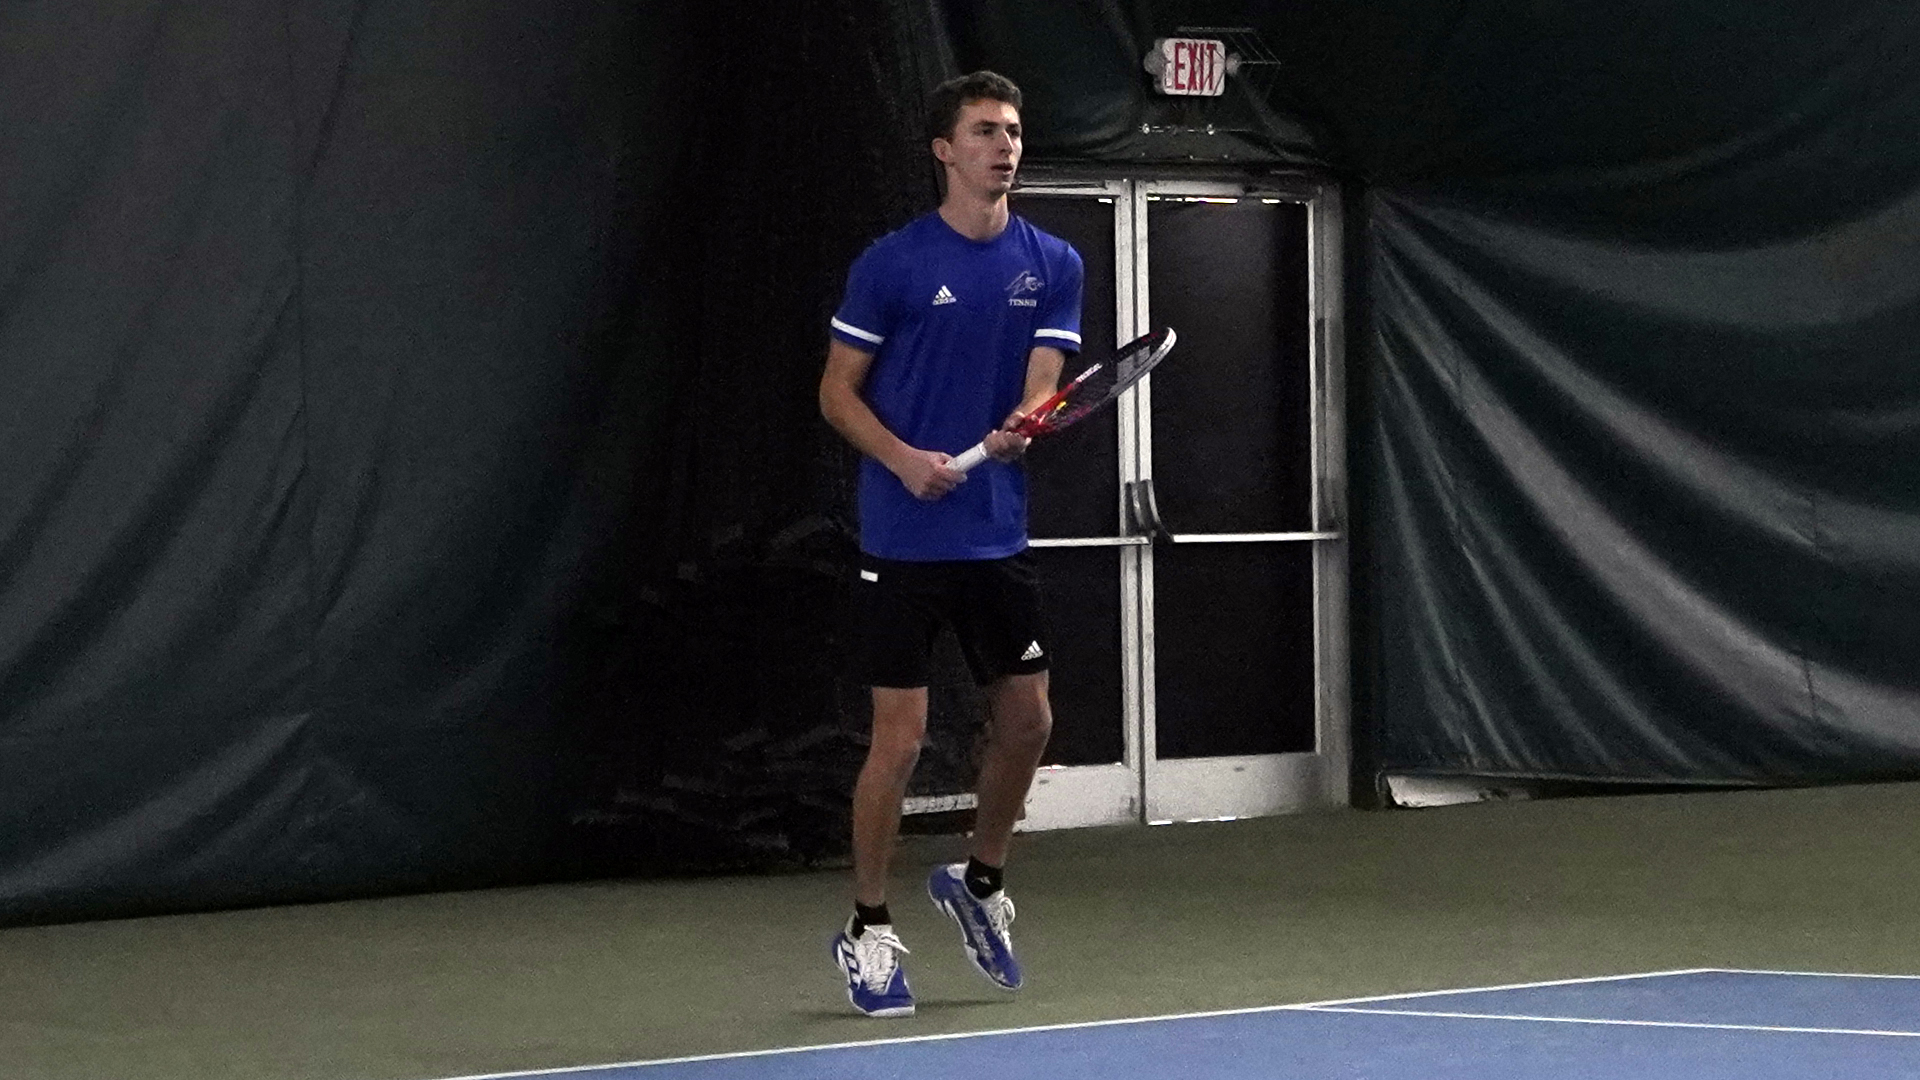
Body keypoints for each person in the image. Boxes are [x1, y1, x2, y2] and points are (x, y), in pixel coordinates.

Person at [818, 70, 1084, 1018]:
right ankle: (868, 926)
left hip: (994, 536)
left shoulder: (1053, 261)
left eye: (1012, 130)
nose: (1004, 146)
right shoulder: (891, 264)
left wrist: (1024, 420)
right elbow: (835, 392)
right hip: (901, 539)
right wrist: (903, 460)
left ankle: (979, 883)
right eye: (983, 131)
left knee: (1030, 722)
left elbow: (1044, 377)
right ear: (944, 150)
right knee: (900, 740)